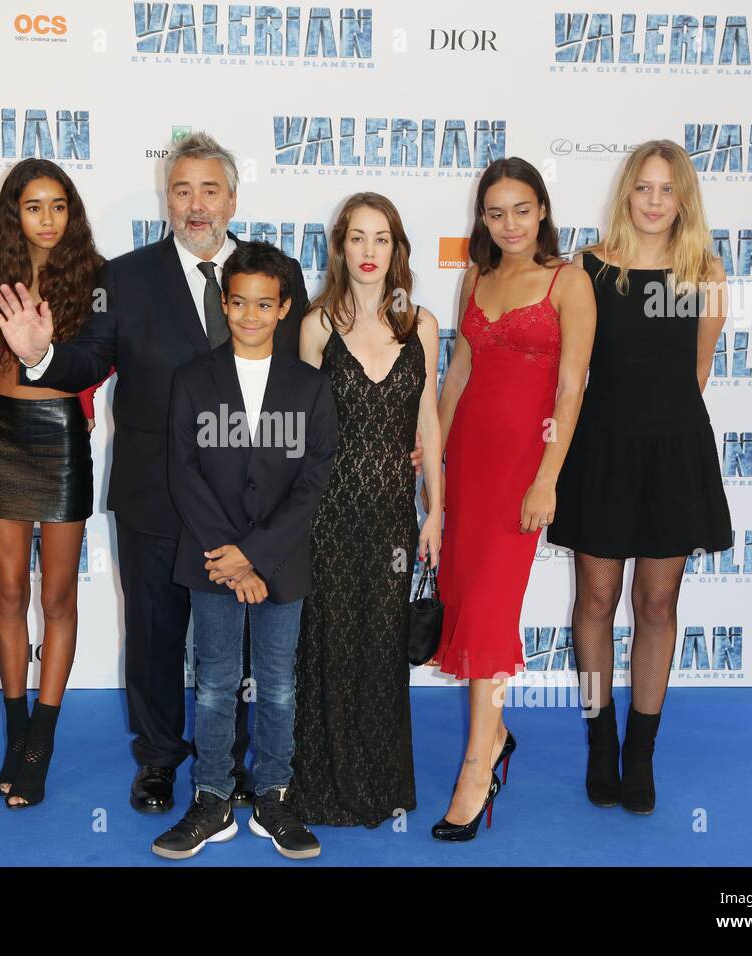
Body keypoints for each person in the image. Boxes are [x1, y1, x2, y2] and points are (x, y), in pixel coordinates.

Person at [0, 132, 309, 813]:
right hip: (155, 495)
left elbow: (302, 380)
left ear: (233, 197)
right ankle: (159, 759)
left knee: (245, 644)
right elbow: (89, 360)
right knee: (156, 637)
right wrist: (43, 359)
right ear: (167, 199)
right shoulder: (125, 278)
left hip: (251, 503)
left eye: (209, 189)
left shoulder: (273, 273)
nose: (196, 205)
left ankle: (237, 759)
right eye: (182, 190)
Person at [545, 140, 732, 815]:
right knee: (595, 602)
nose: (653, 201)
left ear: (684, 199)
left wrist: (667, 428)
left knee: (658, 606)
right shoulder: (590, 269)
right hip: (604, 450)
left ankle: (641, 755)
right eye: (643, 188)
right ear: (626, 193)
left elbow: (699, 368)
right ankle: (600, 741)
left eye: (666, 189)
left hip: (674, 454)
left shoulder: (703, 272)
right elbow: (572, 374)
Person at [154, 242, 337, 860]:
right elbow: (184, 473)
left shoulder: (310, 387)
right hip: (211, 562)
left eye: (265, 304)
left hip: (279, 561)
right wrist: (231, 558)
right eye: (238, 303)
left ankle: (274, 797)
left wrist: (255, 556)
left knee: (279, 683)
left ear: (285, 307)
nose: (251, 315)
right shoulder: (193, 378)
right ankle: (211, 800)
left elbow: (314, 479)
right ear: (223, 304)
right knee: (214, 683)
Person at [432, 157, 596, 841]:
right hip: (467, 461)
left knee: (492, 614)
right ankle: (494, 736)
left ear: (542, 210)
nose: (509, 225)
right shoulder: (476, 276)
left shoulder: (569, 282)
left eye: (521, 210)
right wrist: (434, 460)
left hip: (524, 468)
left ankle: (477, 764)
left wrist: (548, 476)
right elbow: (460, 368)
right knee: (466, 600)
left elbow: (572, 386)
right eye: (495, 213)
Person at [0, 159, 109, 808]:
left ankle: (42, 740)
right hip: (5, 435)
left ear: (71, 212)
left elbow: (99, 366)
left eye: (58, 206)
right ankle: (16, 729)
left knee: (59, 600)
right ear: (13, 215)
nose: (47, 219)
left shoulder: (99, 279)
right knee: (11, 589)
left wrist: (53, 357)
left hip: (63, 437)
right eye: (33, 206)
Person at [291, 192, 443, 828]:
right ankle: (321, 785)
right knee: (325, 643)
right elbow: (297, 433)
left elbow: (428, 422)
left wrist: (435, 510)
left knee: (381, 646)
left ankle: (380, 782)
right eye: (358, 238)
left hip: (391, 519)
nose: (370, 251)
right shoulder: (316, 326)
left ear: (397, 248)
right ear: (340, 247)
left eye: (381, 239)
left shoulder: (422, 326)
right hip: (325, 515)